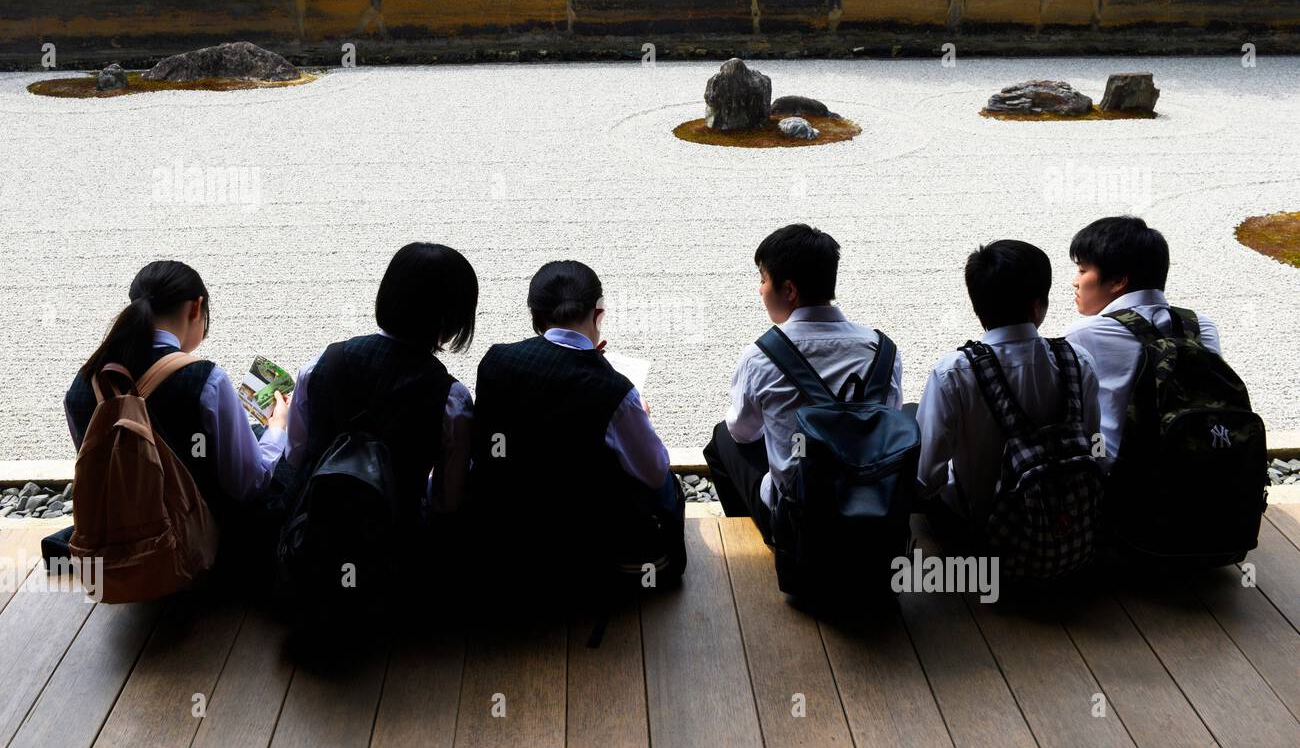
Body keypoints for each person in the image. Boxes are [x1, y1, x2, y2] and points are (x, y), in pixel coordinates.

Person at [468, 260, 682, 600]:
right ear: (598, 315)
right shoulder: (617, 392)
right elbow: (654, 472)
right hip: (588, 552)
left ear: (536, 319)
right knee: (665, 484)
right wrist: (636, 413)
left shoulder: (496, 361)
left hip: (509, 544)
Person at [63, 260, 288, 567]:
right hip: (193, 551)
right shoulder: (205, 379)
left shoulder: (84, 382)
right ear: (196, 308)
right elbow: (248, 485)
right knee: (282, 457)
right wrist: (278, 428)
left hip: (114, 546)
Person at [705, 223, 902, 542]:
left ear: (789, 290)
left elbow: (742, 433)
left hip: (802, 519)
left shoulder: (761, 356)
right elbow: (889, 422)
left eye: (763, 279)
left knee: (723, 438)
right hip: (873, 511)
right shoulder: (883, 351)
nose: (759, 289)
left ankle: (773, 543)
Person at [914, 240, 1101, 550]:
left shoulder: (954, 372)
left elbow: (925, 480)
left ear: (977, 305)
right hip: (1070, 524)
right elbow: (1094, 444)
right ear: (1038, 305)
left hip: (987, 534)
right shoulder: (1078, 361)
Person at [284, 242, 478, 525]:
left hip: (315, 536)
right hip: (391, 547)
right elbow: (446, 502)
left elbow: (296, 457)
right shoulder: (451, 398)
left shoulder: (321, 365)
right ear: (453, 319)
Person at [1063, 216, 1221, 463]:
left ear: (1118, 281)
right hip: (1203, 476)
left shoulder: (1086, 334)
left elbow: (1079, 422)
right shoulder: (1201, 326)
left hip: (1123, 486)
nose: (1075, 281)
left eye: (1083, 270)